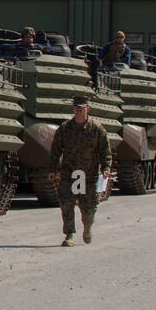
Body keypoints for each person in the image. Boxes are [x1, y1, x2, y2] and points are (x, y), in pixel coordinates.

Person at [48, 95, 113, 247]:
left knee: (88, 206)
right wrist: (52, 169)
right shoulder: (65, 129)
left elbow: (105, 151)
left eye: (81, 109)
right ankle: (69, 235)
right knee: (66, 203)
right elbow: (55, 151)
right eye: (76, 109)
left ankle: (87, 226)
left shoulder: (96, 129)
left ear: (87, 110)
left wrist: (106, 168)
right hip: (68, 173)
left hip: (88, 174)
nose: (78, 111)